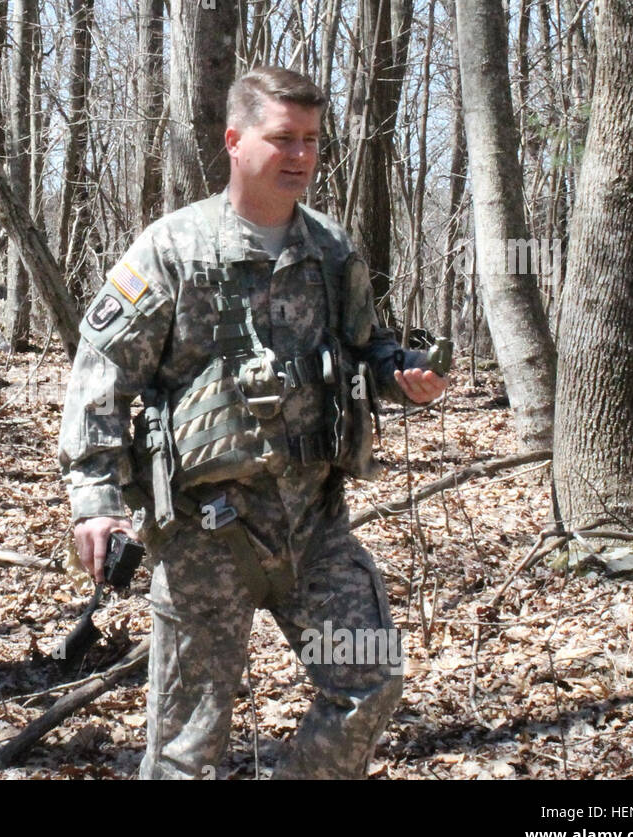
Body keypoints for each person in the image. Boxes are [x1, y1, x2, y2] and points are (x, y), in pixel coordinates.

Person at [58, 66, 448, 779]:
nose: (300, 156)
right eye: (282, 139)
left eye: (311, 141)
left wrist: (404, 375)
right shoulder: (173, 251)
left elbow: (368, 349)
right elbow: (101, 377)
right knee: (187, 749)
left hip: (315, 530)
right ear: (235, 141)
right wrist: (95, 502)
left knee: (369, 683)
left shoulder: (332, 252)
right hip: (209, 536)